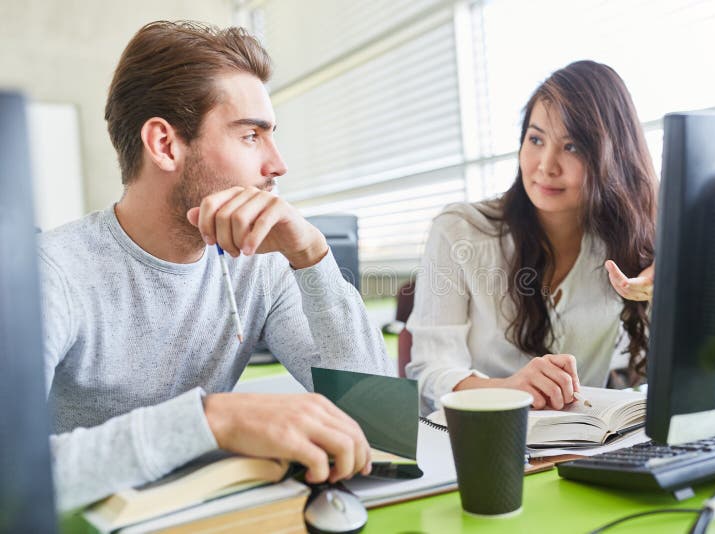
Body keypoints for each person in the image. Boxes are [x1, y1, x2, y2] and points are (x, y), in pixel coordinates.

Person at [40, 21, 392, 511]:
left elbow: (381, 421)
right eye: (251, 135)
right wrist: (212, 419)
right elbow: (13, 471)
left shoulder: (261, 266)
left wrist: (312, 256)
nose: (278, 165)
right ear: (165, 145)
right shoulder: (51, 274)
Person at [406, 60, 656, 415]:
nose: (546, 165)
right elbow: (429, 372)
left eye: (572, 147)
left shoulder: (630, 241)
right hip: (483, 441)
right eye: (536, 139)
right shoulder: (460, 230)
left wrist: (668, 285)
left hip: (586, 447)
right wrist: (508, 389)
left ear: (613, 155)